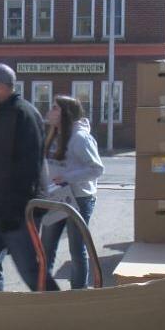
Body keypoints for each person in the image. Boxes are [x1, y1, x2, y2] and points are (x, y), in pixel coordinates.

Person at [0, 63, 59, 291]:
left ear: (1, 87)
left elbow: (29, 169)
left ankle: (59, 311)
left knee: (31, 269)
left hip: (19, 211)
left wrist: (13, 211)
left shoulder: (23, 114)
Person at [42, 95, 104, 290]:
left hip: (79, 199)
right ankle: (44, 291)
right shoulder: (53, 134)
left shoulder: (80, 137)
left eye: (54, 108)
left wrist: (69, 177)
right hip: (56, 197)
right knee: (45, 248)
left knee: (77, 249)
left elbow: (97, 169)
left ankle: (78, 293)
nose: (50, 111)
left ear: (65, 114)